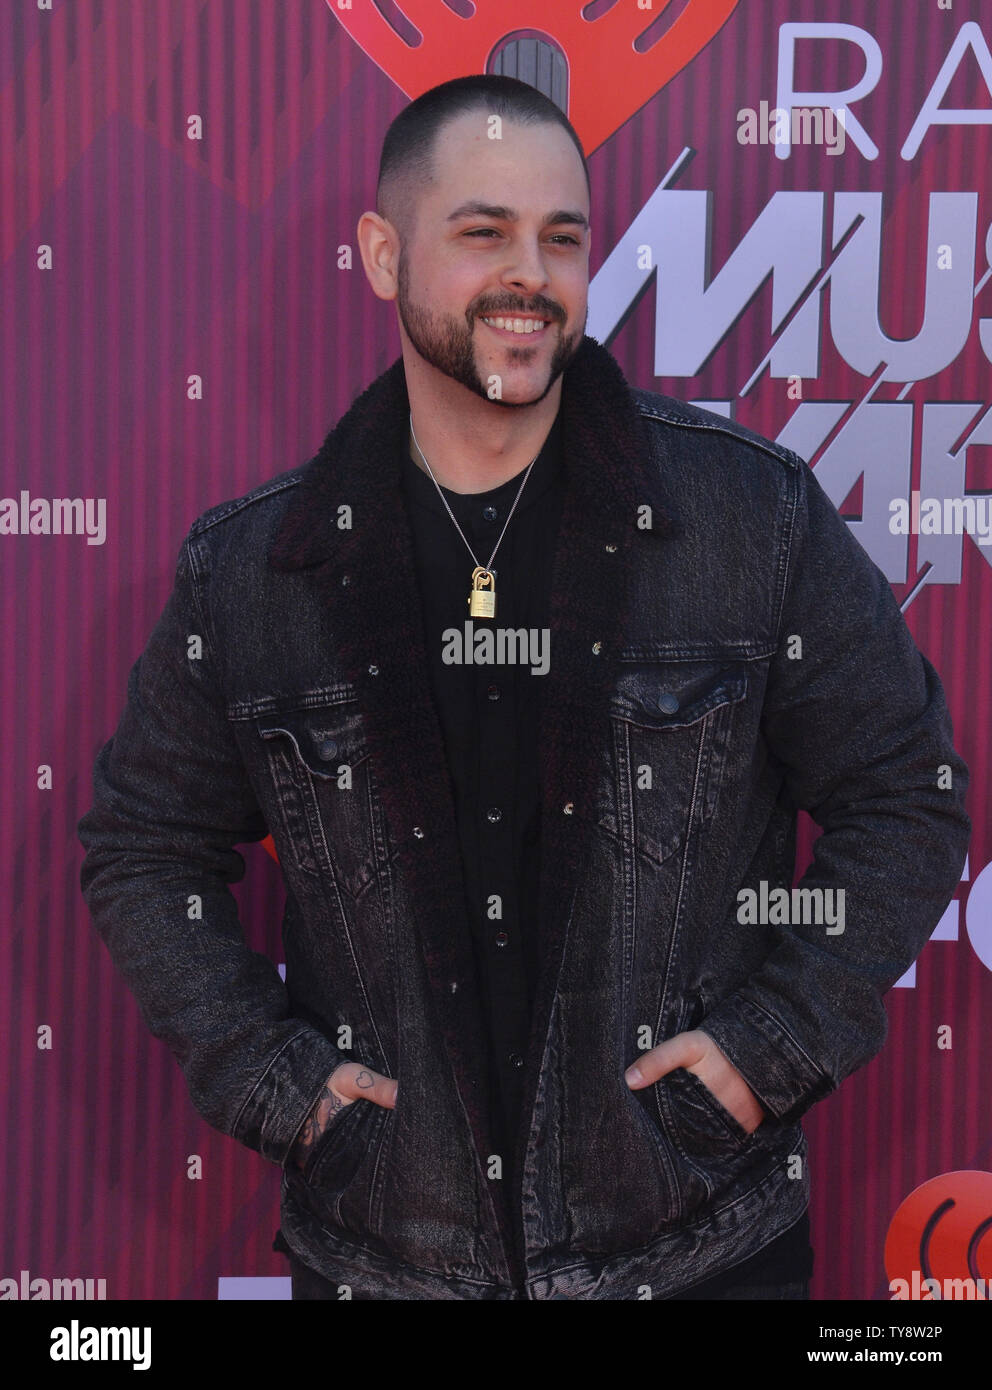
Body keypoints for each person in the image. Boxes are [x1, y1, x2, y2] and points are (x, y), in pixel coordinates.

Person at [77, 74, 970, 1301]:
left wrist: (775, 1046)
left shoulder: (744, 517)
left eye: (561, 237)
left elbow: (903, 793)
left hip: (698, 1250)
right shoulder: (254, 569)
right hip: (385, 1264)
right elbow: (141, 843)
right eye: (482, 231)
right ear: (383, 255)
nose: (529, 275)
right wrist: (275, 1081)